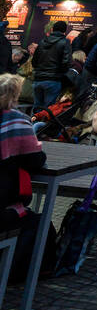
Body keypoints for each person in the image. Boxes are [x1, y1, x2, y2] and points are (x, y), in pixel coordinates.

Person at [0, 73, 45, 235]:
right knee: (40, 223)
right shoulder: (16, 121)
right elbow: (35, 160)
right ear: (14, 95)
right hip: (4, 204)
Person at [32, 22, 73, 111]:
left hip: (38, 79)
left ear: (53, 29)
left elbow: (34, 61)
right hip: (53, 80)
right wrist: (61, 73)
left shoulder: (42, 41)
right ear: (64, 31)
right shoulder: (65, 42)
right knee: (49, 111)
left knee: (36, 109)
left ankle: (33, 124)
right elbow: (66, 62)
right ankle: (43, 125)